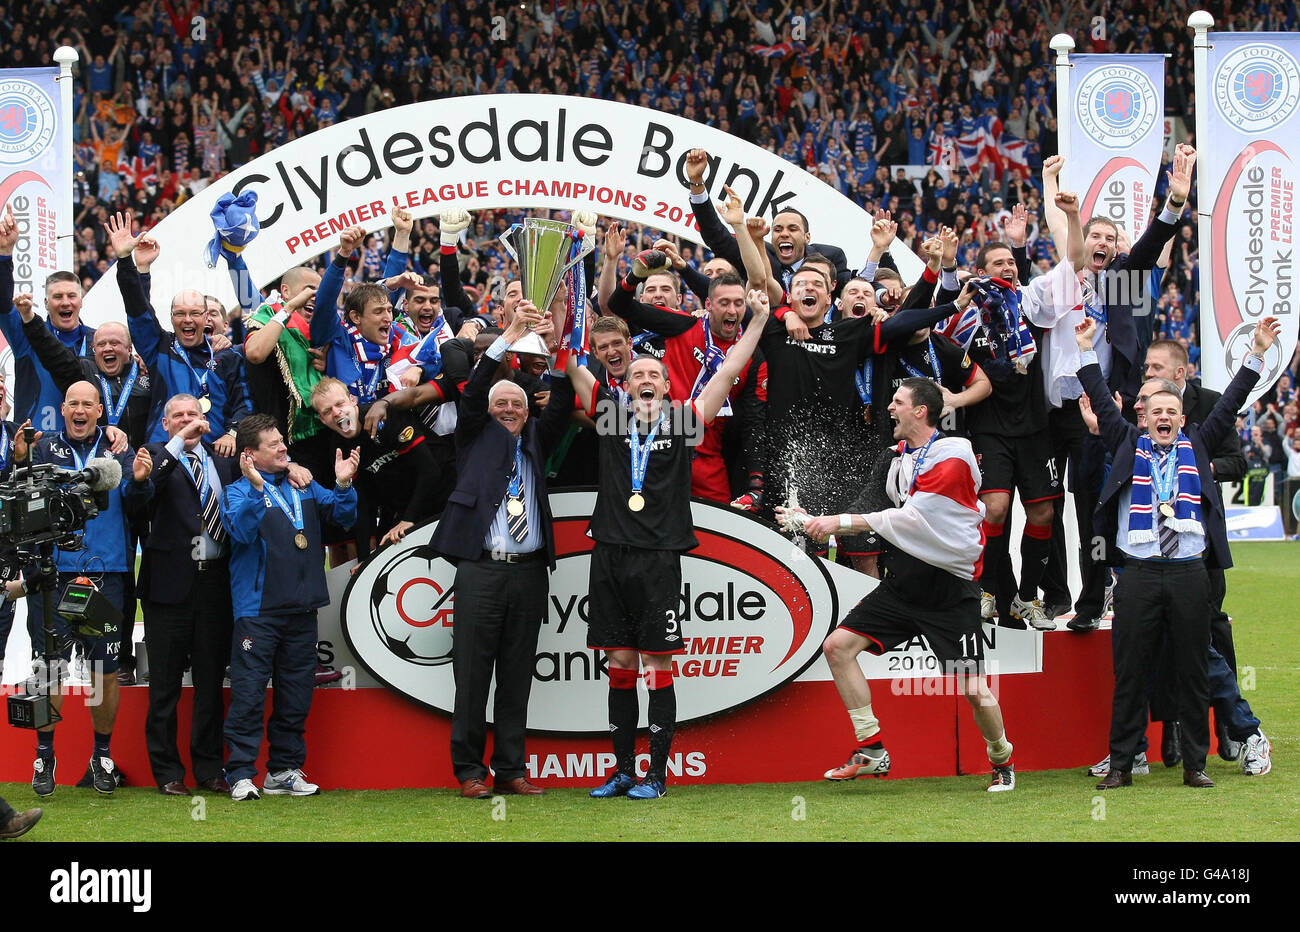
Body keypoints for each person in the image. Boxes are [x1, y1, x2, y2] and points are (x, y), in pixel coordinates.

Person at [569, 287, 769, 800]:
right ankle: (620, 770)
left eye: (654, 375)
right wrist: (559, 310)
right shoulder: (610, 417)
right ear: (626, 384)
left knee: (657, 664)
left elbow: (725, 374)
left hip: (658, 558)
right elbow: (570, 361)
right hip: (610, 553)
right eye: (637, 375)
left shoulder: (684, 422)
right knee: (618, 664)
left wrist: (756, 323)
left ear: (667, 384)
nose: (645, 380)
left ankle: (656, 775)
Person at [782, 378, 1018, 792]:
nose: (889, 408)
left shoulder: (954, 453)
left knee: (975, 691)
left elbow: (912, 516)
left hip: (949, 592)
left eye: (897, 401)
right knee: (838, 647)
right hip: (902, 585)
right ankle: (871, 748)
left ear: (921, 410)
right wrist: (815, 520)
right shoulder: (892, 459)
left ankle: (1002, 759)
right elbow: (869, 506)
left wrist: (839, 522)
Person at [1079, 315, 1279, 790]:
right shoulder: (1128, 442)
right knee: (1130, 673)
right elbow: (1105, 407)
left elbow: (1230, 402)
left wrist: (1257, 353)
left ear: (1182, 418)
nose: (1163, 418)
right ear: (1143, 417)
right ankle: (1123, 765)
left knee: (1192, 670)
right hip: (1140, 573)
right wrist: (1086, 348)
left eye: (1171, 411)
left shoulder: (1198, 443)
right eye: (1155, 411)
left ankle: (1196, 765)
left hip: (1189, 572)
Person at [429, 302, 575, 799]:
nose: (509, 409)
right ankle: (470, 771)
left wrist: (554, 351)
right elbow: (472, 394)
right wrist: (508, 334)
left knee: (517, 675)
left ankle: (511, 769)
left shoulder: (537, 438)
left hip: (530, 573)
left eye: (516, 403)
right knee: (472, 675)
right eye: (500, 404)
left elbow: (559, 404)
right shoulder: (474, 436)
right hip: (481, 571)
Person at [127, 394, 307, 796]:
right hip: (168, 588)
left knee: (210, 683)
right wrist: (168, 453)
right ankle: (168, 771)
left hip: (216, 585)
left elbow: (264, 468)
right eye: (179, 416)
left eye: (194, 414)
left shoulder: (224, 459)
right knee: (166, 687)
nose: (188, 421)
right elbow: (136, 500)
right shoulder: (153, 456)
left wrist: (292, 465)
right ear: (166, 424)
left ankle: (210, 769)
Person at [220, 413, 359, 801]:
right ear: (249, 455)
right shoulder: (236, 492)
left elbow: (343, 516)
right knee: (248, 694)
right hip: (258, 611)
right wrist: (253, 487)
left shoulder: (303, 483)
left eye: (283, 441)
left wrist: (344, 483)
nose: (284, 448)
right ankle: (241, 773)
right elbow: (241, 533)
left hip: (302, 608)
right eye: (274, 444)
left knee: (296, 694)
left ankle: (283, 771)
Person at [23, 381, 141, 797]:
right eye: (71, 403)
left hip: (106, 572)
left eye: (86, 404)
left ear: (98, 411)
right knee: (47, 669)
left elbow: (136, 495)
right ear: (64, 408)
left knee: (103, 672)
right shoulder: (42, 449)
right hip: (52, 575)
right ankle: (44, 753)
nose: (78, 410)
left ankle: (102, 755)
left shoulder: (118, 449)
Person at [107, 213, 250, 451]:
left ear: (206, 318)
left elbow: (245, 403)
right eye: (180, 314)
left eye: (194, 313)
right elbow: (138, 311)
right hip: (165, 452)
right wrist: (126, 261)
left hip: (215, 452)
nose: (187, 320)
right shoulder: (160, 348)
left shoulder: (229, 357)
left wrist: (233, 433)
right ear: (171, 319)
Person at [0, 207, 96, 432]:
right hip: (35, 448)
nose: (65, 302)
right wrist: (5, 254)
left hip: (84, 449)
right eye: (57, 297)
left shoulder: (97, 342)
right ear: (45, 304)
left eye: (71, 296)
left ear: (81, 301)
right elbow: (4, 304)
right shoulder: (27, 335)